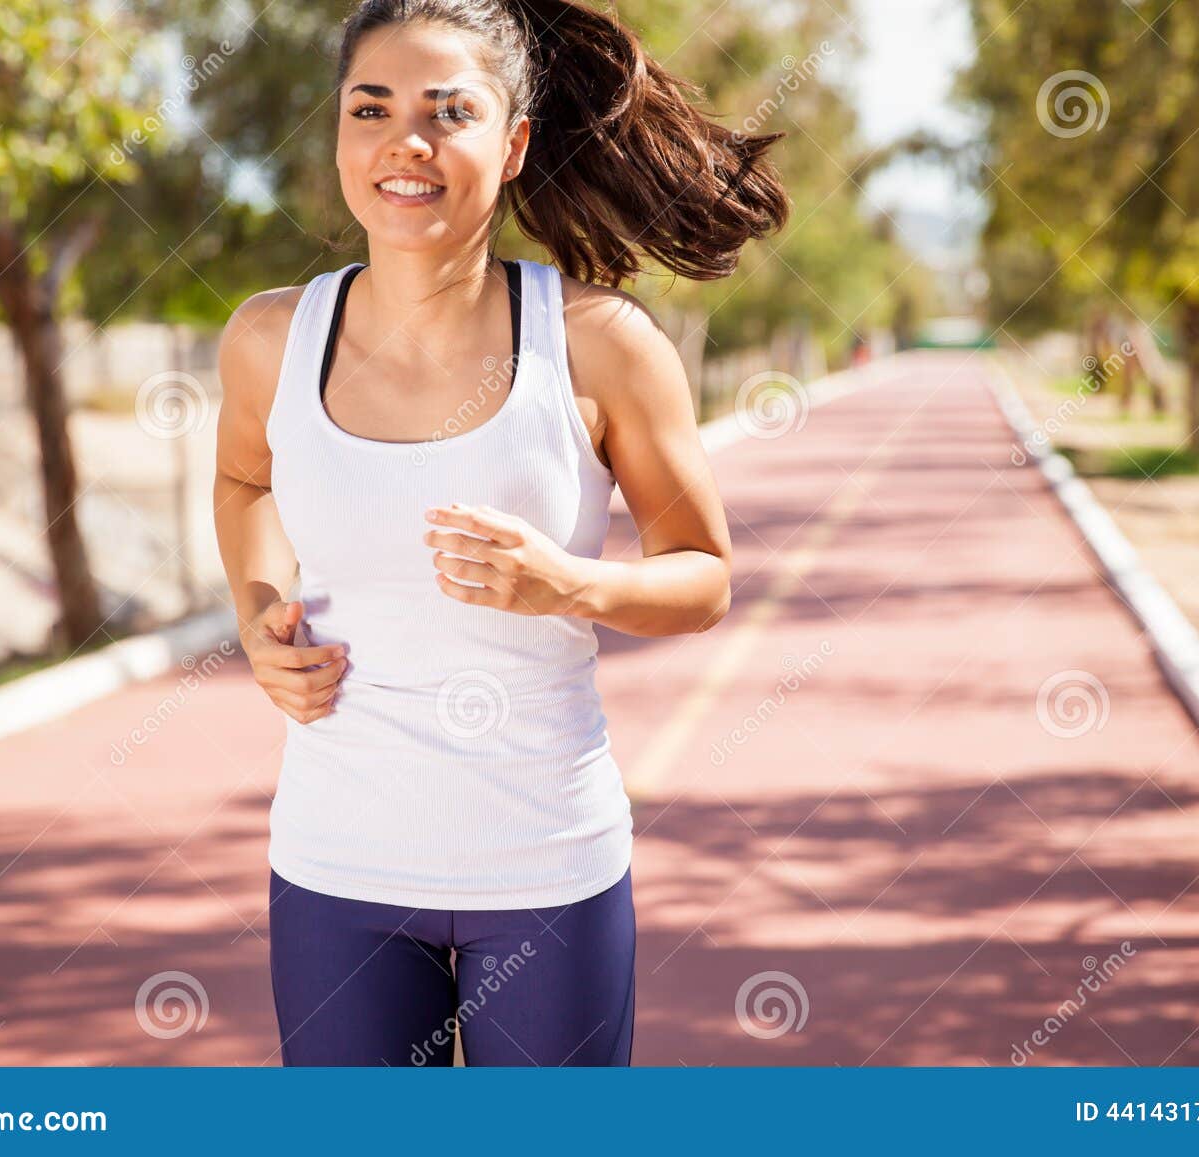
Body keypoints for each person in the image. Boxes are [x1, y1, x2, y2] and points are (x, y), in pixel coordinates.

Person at [212, 0, 787, 1067]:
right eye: (371, 108)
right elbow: (247, 478)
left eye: (449, 112)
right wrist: (256, 614)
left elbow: (701, 576)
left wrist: (570, 584)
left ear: (513, 142)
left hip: (545, 868)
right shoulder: (268, 339)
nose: (405, 144)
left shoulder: (600, 343)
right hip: (337, 867)